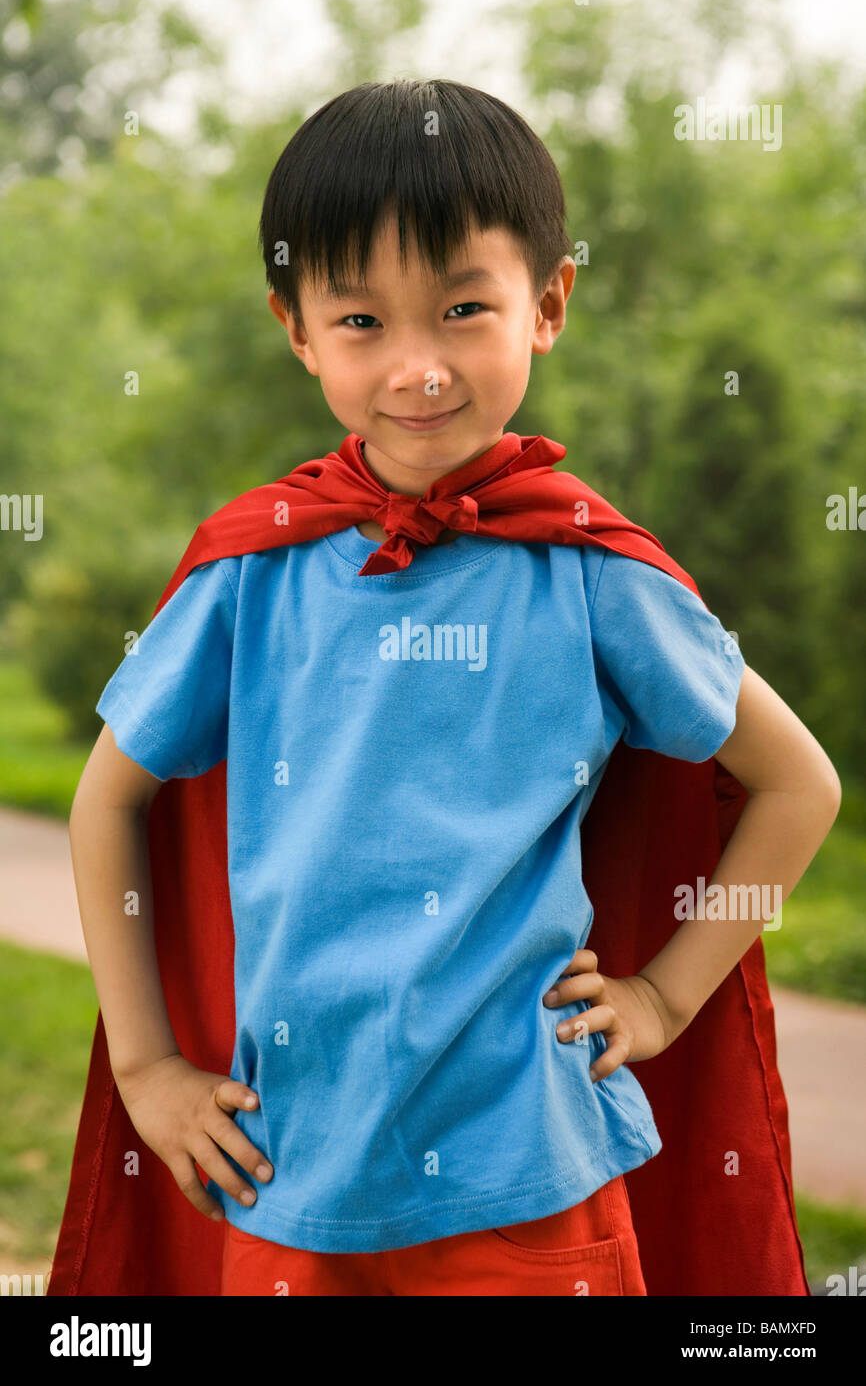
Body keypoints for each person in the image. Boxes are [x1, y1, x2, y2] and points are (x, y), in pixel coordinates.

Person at [50, 78, 840, 1298]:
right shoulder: (247, 575)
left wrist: (661, 998)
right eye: (361, 321)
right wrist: (150, 1067)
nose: (418, 369)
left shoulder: (590, 577)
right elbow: (108, 802)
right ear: (296, 328)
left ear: (548, 303)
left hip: (531, 1176)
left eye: (464, 307)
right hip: (288, 1166)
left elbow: (797, 784)